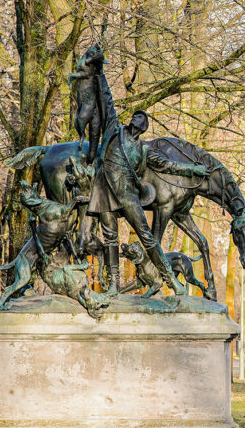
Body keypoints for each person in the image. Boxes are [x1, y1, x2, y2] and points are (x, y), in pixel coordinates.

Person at [88, 110, 209, 294]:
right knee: (110, 238)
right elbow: (105, 101)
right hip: (104, 190)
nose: (136, 119)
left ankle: (171, 280)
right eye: (136, 116)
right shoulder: (114, 130)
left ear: (143, 127)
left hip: (128, 193)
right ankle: (114, 285)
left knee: (147, 236)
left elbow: (167, 164)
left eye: (141, 118)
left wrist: (192, 169)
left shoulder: (144, 149)